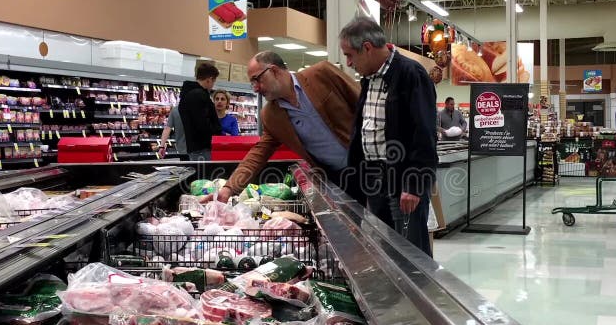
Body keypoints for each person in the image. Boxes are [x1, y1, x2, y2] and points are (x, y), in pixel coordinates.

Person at [340, 16, 438, 257]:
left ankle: (418, 295)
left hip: (402, 180)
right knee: (386, 250)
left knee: (411, 253)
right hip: (375, 179)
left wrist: (414, 186)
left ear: (367, 48)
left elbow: (424, 133)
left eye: (350, 55)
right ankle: (395, 296)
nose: (348, 62)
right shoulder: (369, 79)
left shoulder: (410, 73)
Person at [212, 51, 360, 202]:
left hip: (370, 164)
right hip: (337, 178)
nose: (255, 88)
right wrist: (229, 188)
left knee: (382, 219)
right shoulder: (271, 115)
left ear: (274, 71)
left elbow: (362, 99)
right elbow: (258, 153)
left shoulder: (322, 73)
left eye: (257, 79)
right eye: (252, 83)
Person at [178, 63, 221, 161]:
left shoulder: (186, 94)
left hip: (194, 148)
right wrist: (216, 132)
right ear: (209, 79)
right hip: (203, 149)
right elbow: (203, 124)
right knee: (207, 175)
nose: (212, 85)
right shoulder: (199, 95)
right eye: (213, 81)